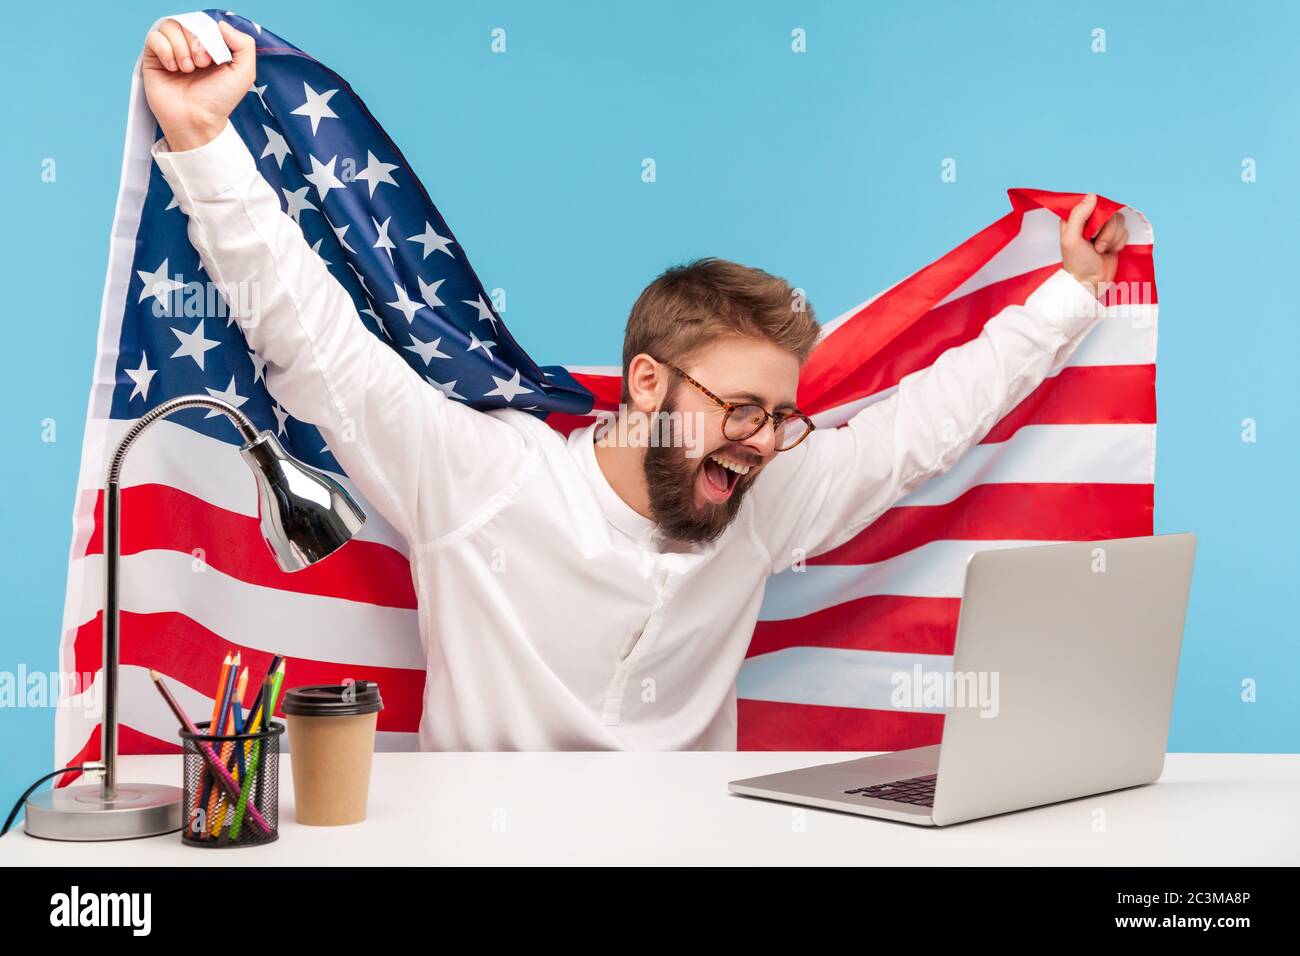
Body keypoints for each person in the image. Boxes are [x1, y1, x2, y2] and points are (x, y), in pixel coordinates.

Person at [141, 19, 1128, 750]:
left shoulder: (767, 500)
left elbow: (919, 429)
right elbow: (316, 343)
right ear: (647, 384)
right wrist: (201, 138)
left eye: (781, 418)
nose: (761, 440)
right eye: (741, 408)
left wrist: (1071, 298)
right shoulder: (482, 477)